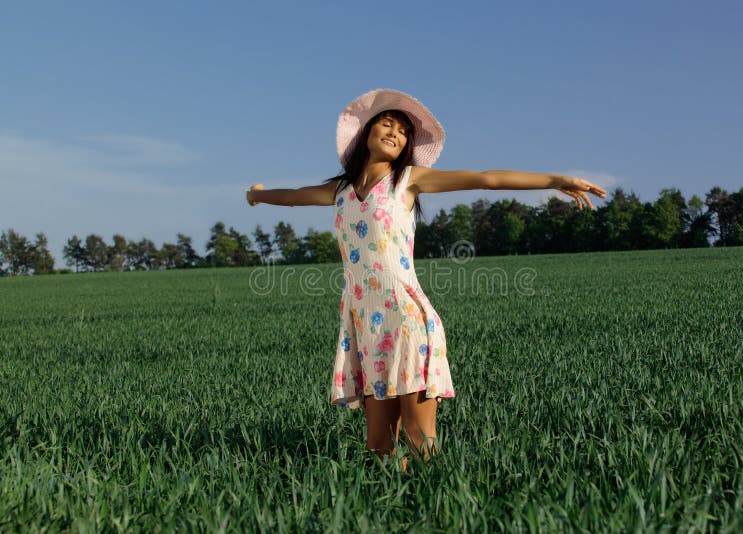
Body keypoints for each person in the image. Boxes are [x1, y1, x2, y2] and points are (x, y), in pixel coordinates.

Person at [245, 88, 606, 472]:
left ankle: (437, 504)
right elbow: (295, 196)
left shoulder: (408, 181)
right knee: (378, 447)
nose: (395, 133)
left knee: (419, 438)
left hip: (406, 321)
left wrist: (554, 179)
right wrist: (258, 194)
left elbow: (486, 178)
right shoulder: (341, 191)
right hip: (365, 325)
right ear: (366, 132)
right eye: (387, 123)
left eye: (403, 132)